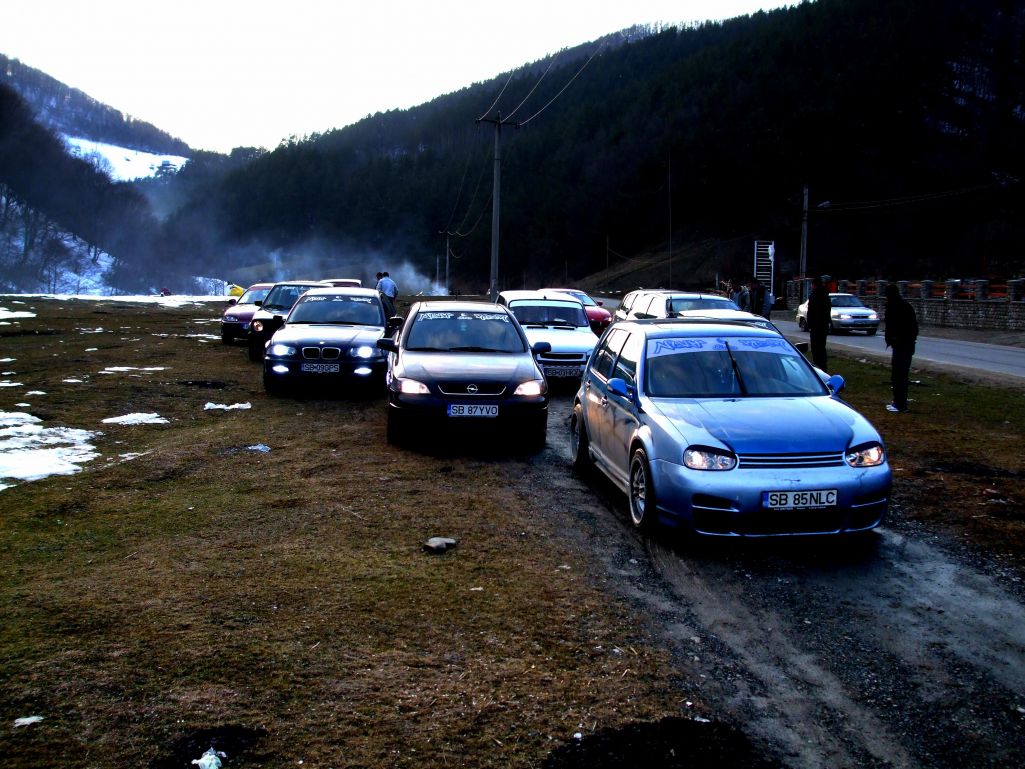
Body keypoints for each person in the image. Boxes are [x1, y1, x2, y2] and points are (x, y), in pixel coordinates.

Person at [884, 283, 919, 413]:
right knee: (901, 374)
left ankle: (900, 404)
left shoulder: (895, 307)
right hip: (906, 344)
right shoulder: (905, 306)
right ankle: (899, 402)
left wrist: (894, 339)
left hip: (901, 345)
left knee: (899, 375)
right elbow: (914, 328)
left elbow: (896, 327)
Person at [807, 275, 831, 371]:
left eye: (812, 284)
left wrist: (811, 324)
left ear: (814, 285)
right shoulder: (826, 295)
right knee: (821, 348)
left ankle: (818, 368)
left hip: (816, 326)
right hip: (823, 326)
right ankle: (823, 367)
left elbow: (812, 311)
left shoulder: (815, 295)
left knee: (816, 349)